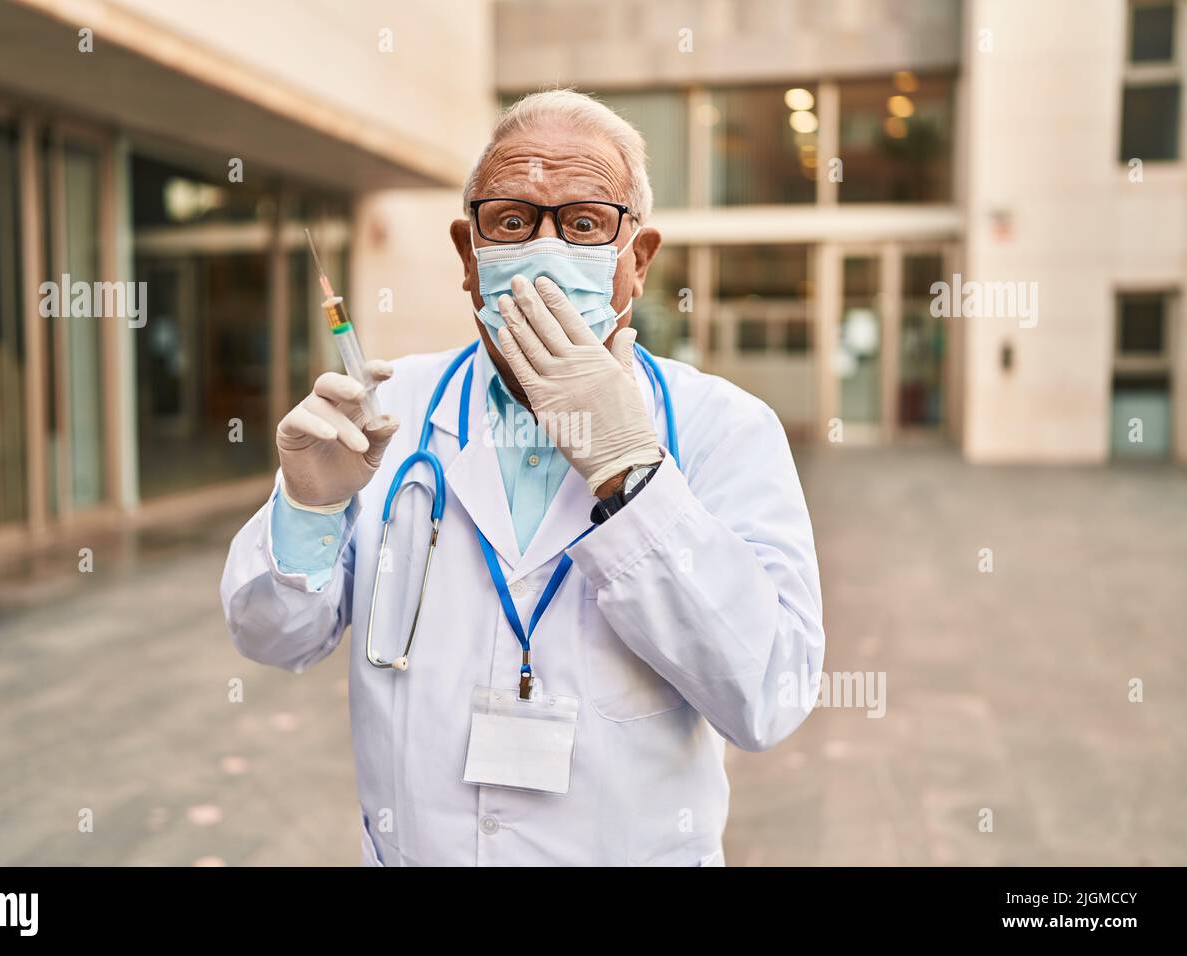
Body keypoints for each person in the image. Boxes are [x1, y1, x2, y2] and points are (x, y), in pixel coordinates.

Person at [221, 89, 824, 866]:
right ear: (469, 256)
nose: (543, 248)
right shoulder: (382, 408)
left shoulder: (725, 430)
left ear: (636, 262)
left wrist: (633, 475)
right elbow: (274, 639)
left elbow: (767, 697)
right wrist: (310, 505)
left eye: (582, 223)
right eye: (510, 221)